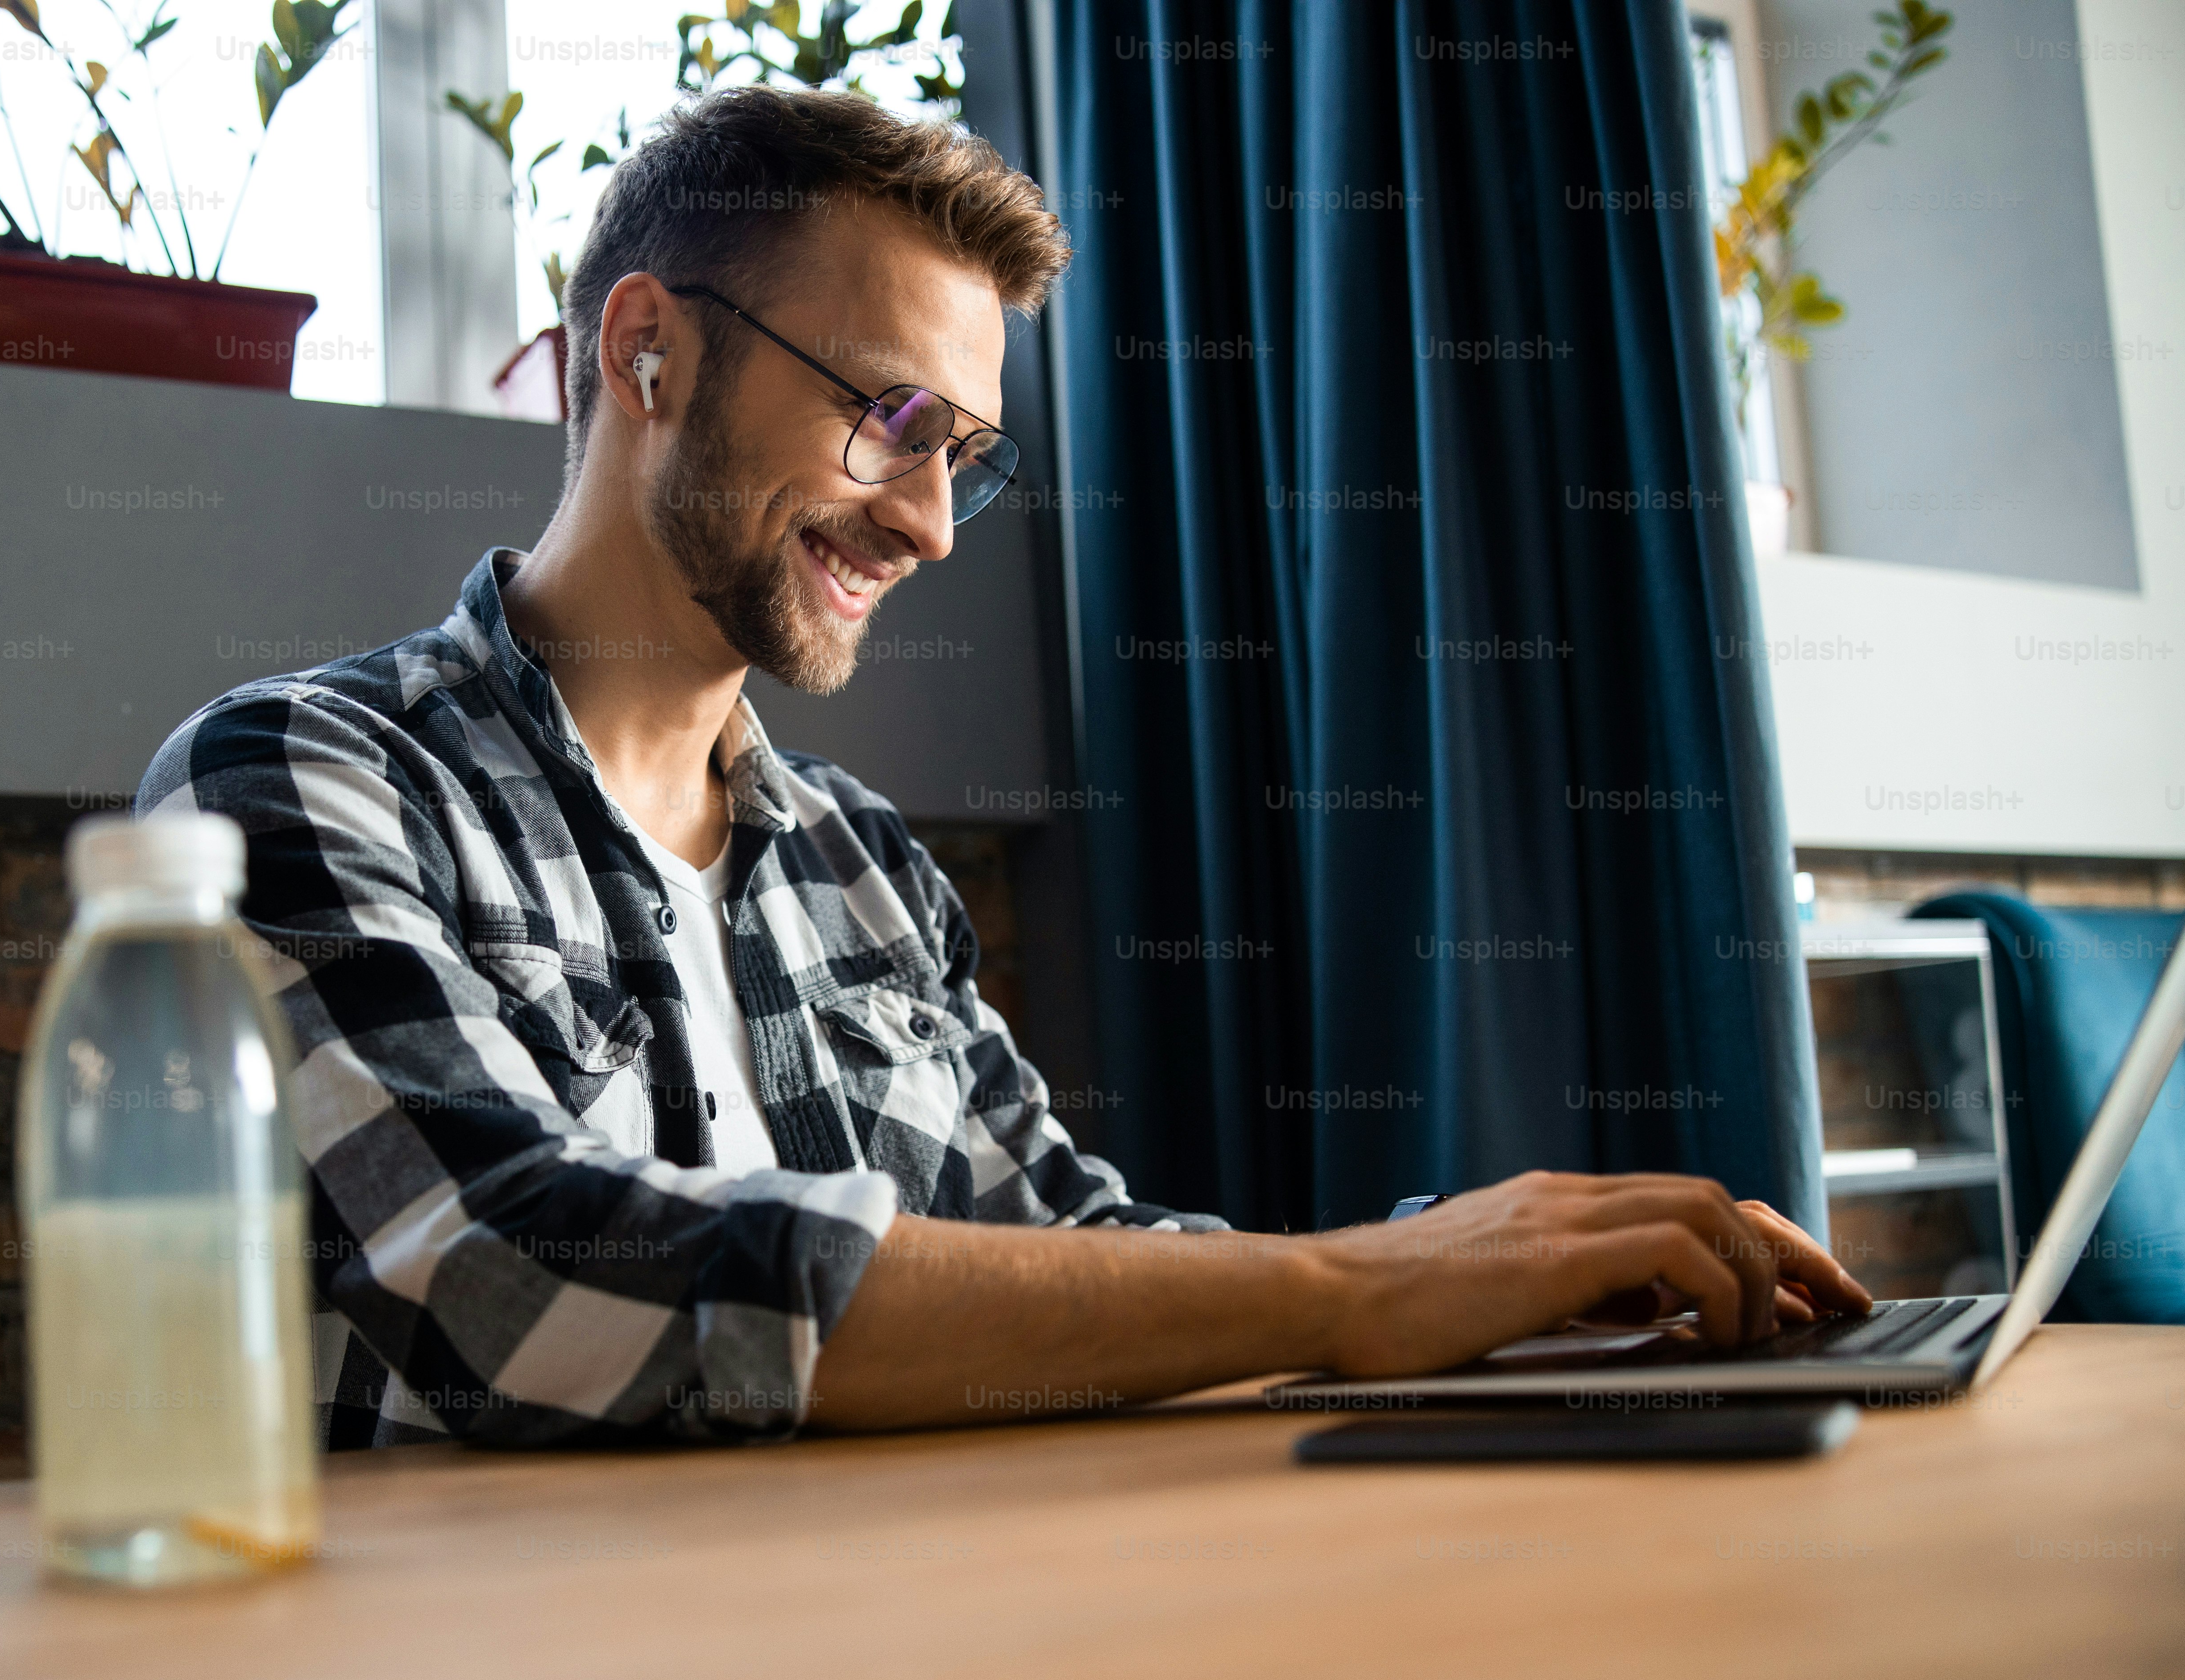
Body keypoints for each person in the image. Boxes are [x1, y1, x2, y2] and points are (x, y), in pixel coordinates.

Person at [136, 85, 1866, 1449]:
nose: (933, 524)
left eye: (966, 454)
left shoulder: (862, 869)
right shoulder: (297, 783)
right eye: (891, 423)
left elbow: (1072, 1256)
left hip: (895, 1678)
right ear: (647, 348)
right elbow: (502, 1279)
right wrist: (1350, 1290)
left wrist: (1500, 1284)